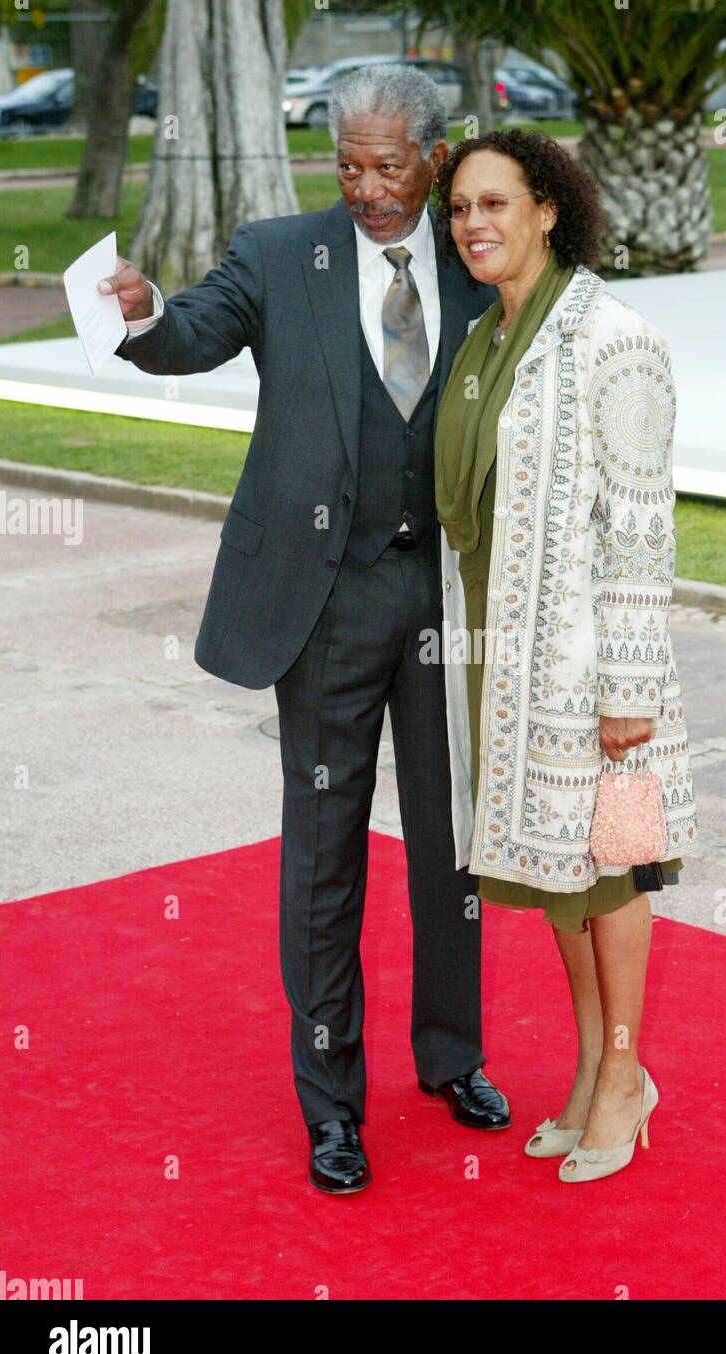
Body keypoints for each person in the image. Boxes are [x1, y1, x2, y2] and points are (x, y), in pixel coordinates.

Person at [98, 67, 511, 1196]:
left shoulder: (479, 265)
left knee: (453, 847)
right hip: (324, 609)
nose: (369, 189)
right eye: (348, 165)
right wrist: (141, 316)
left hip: (445, 604)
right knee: (324, 860)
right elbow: (194, 330)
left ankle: (452, 1056)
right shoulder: (280, 255)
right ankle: (331, 1106)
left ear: (432, 157)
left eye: (389, 166)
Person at [432, 130, 698, 1184]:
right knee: (557, 878)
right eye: (457, 209)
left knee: (612, 869)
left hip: (596, 671)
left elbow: (640, 525)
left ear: (547, 208)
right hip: (508, 660)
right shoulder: (484, 339)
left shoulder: (613, 337)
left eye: (494, 204)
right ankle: (594, 1065)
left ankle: (627, 1076)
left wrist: (628, 683)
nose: (472, 226)